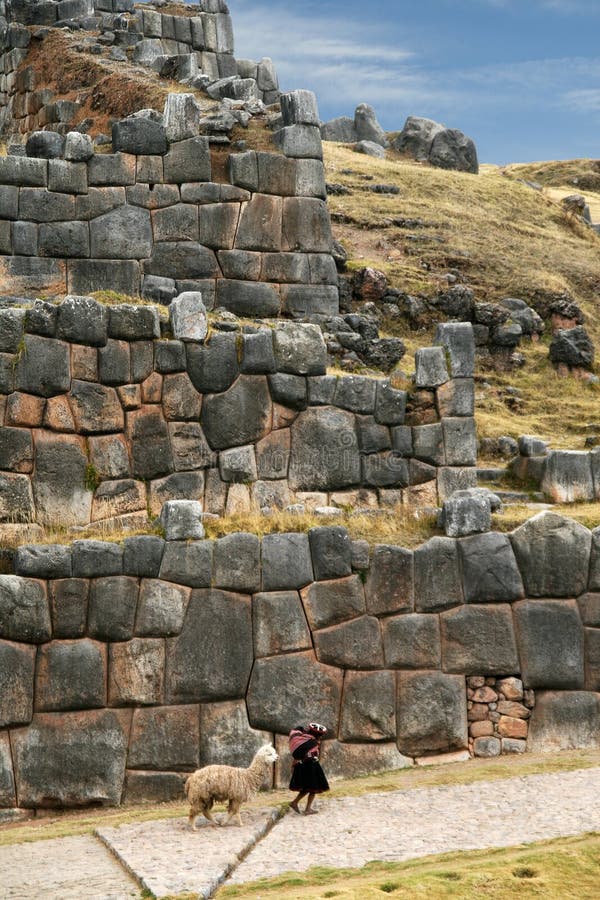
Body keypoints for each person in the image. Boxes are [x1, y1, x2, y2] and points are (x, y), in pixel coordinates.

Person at [288, 722, 329, 815]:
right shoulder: (312, 742)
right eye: (320, 735)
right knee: (313, 788)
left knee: (307, 788)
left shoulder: (303, 739)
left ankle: (294, 803)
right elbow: (310, 755)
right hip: (311, 766)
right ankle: (307, 809)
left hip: (302, 766)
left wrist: (293, 766)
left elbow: (298, 754)